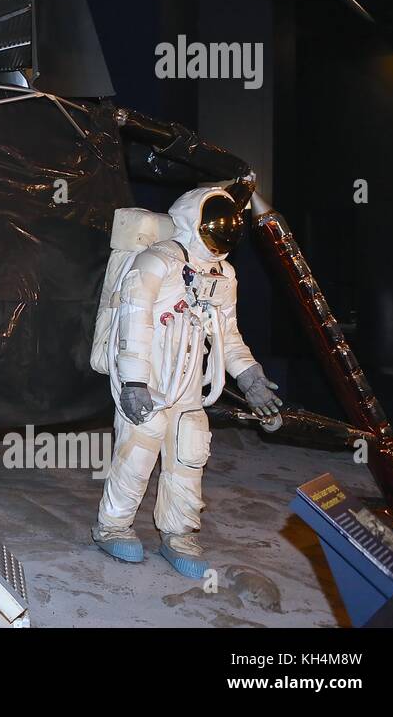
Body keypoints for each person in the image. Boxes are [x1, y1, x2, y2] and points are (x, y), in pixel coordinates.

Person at [92, 186, 282, 577]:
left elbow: (228, 336)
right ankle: (112, 526)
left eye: (228, 228)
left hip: (188, 385)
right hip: (146, 377)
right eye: (214, 226)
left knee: (188, 454)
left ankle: (179, 535)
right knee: (139, 453)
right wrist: (132, 382)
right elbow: (134, 323)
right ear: (192, 220)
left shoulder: (223, 275)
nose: (221, 235)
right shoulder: (154, 262)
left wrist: (251, 379)